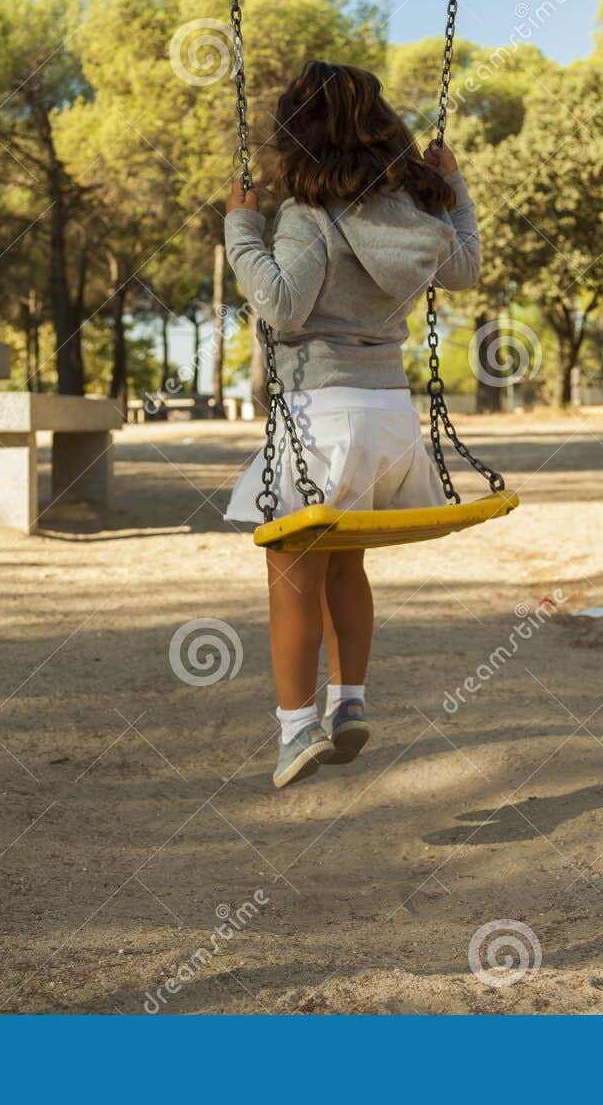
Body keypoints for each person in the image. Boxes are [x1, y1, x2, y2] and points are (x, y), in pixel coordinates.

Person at [222, 60, 480, 789]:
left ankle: (296, 728)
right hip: (389, 419)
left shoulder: (307, 215)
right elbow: (465, 267)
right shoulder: (414, 213)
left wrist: (242, 227)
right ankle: (350, 700)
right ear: (383, 130)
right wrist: (454, 185)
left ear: (298, 138)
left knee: (292, 571)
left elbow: (281, 303)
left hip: (321, 417)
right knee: (346, 561)